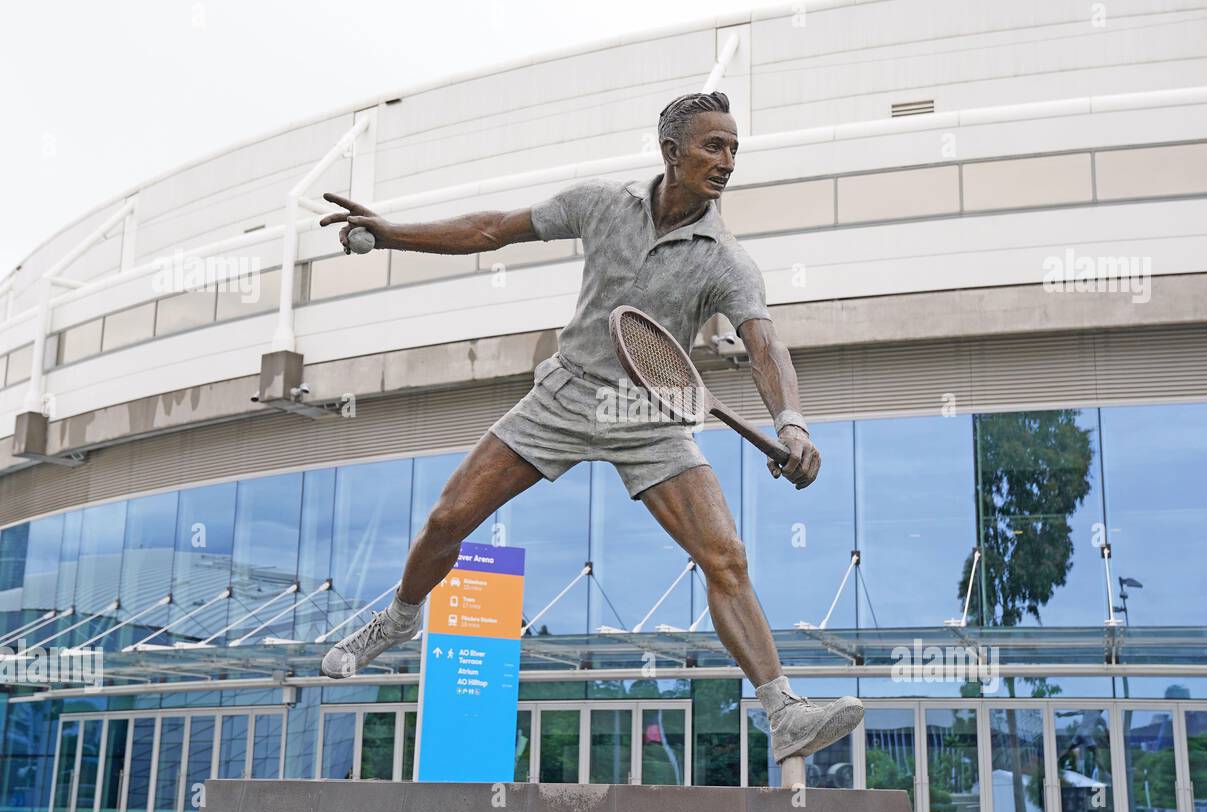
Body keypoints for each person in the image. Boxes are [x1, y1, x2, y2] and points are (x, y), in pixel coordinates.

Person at [316, 92, 863, 766]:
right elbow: (492, 229)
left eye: (733, 149)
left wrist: (794, 424)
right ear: (671, 152)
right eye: (712, 147)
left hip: (648, 415)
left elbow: (764, 345)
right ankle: (401, 615)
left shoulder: (727, 260)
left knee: (727, 556)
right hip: (567, 393)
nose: (726, 161)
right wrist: (392, 231)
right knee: (447, 518)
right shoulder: (601, 205)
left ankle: (782, 711)